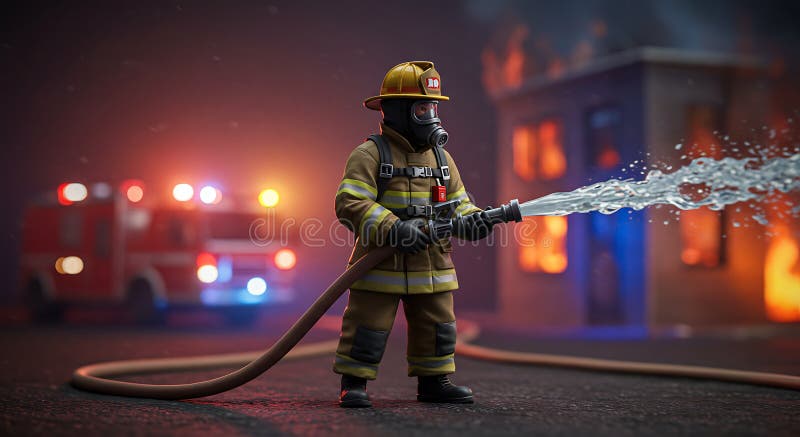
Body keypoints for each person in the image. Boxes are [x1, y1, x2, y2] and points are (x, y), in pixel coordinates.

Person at [333, 61, 496, 408]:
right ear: (397, 111)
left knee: (437, 324)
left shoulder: (443, 159)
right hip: (380, 265)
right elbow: (350, 202)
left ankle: (435, 382)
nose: (432, 116)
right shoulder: (370, 154)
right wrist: (394, 227)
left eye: (433, 107)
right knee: (368, 325)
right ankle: (355, 382)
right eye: (423, 108)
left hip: (431, 263)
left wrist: (473, 219)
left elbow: (459, 205)